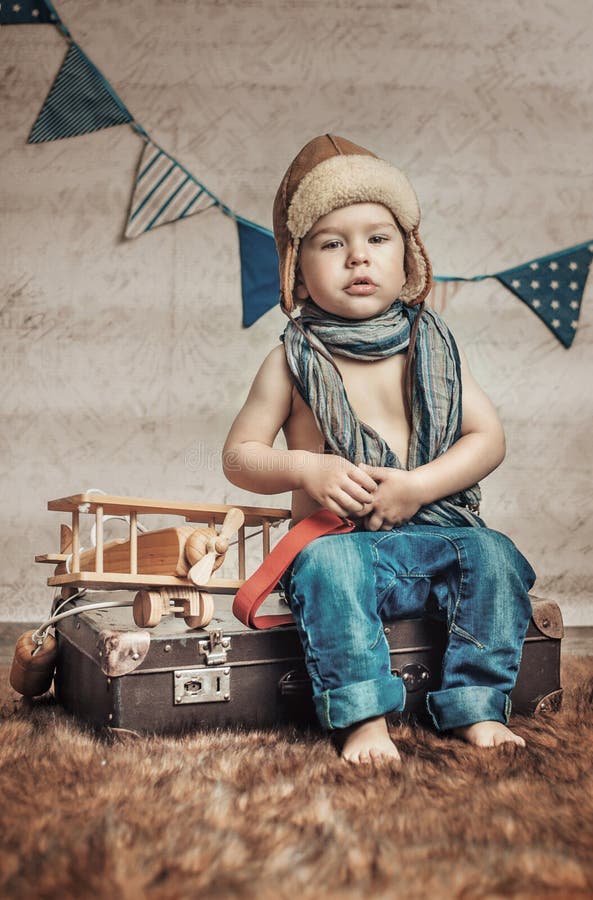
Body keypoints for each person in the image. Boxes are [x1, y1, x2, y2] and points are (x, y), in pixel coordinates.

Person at [223, 134, 536, 764]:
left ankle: (476, 705)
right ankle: (364, 717)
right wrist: (306, 467)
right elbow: (239, 456)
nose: (358, 257)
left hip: (436, 534)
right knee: (328, 569)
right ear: (296, 271)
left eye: (377, 238)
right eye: (331, 244)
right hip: (342, 541)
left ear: (409, 258)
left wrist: (417, 487)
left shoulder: (432, 346)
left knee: (496, 556)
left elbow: (488, 439)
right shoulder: (290, 361)